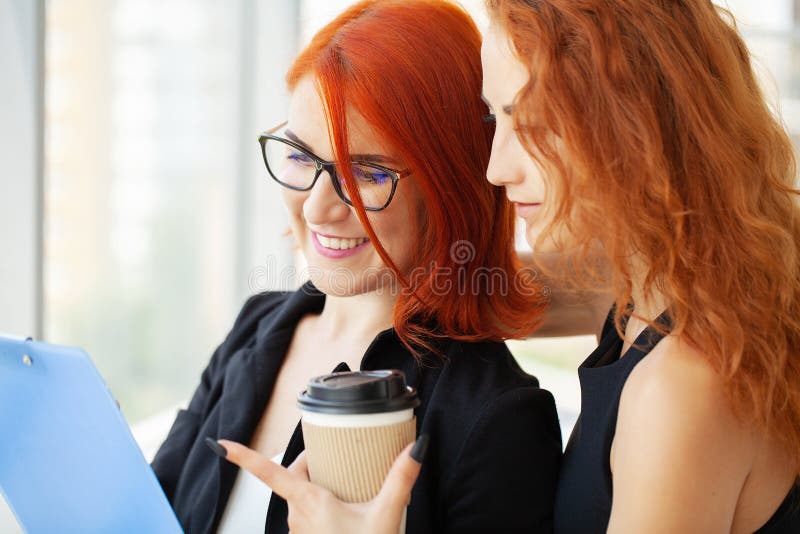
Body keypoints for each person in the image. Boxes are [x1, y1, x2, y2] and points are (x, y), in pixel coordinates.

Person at [221, 0, 800, 533]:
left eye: (532, 126)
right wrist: (369, 236)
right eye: (494, 121)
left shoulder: (678, 389)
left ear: (634, 129)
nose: (495, 170)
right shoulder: (663, 294)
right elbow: (475, 287)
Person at [152, 1, 562, 533]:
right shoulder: (260, 326)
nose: (319, 207)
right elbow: (152, 507)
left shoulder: (494, 414)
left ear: (452, 186)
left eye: (365, 171)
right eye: (301, 156)